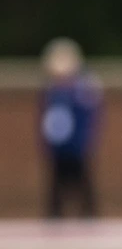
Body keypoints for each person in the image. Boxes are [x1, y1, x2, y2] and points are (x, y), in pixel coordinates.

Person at [39, 38, 103, 218]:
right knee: (56, 184)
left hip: (77, 145)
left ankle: (89, 216)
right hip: (58, 147)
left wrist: (85, 142)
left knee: (83, 182)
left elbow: (90, 118)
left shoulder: (83, 88)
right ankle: (54, 216)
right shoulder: (51, 91)